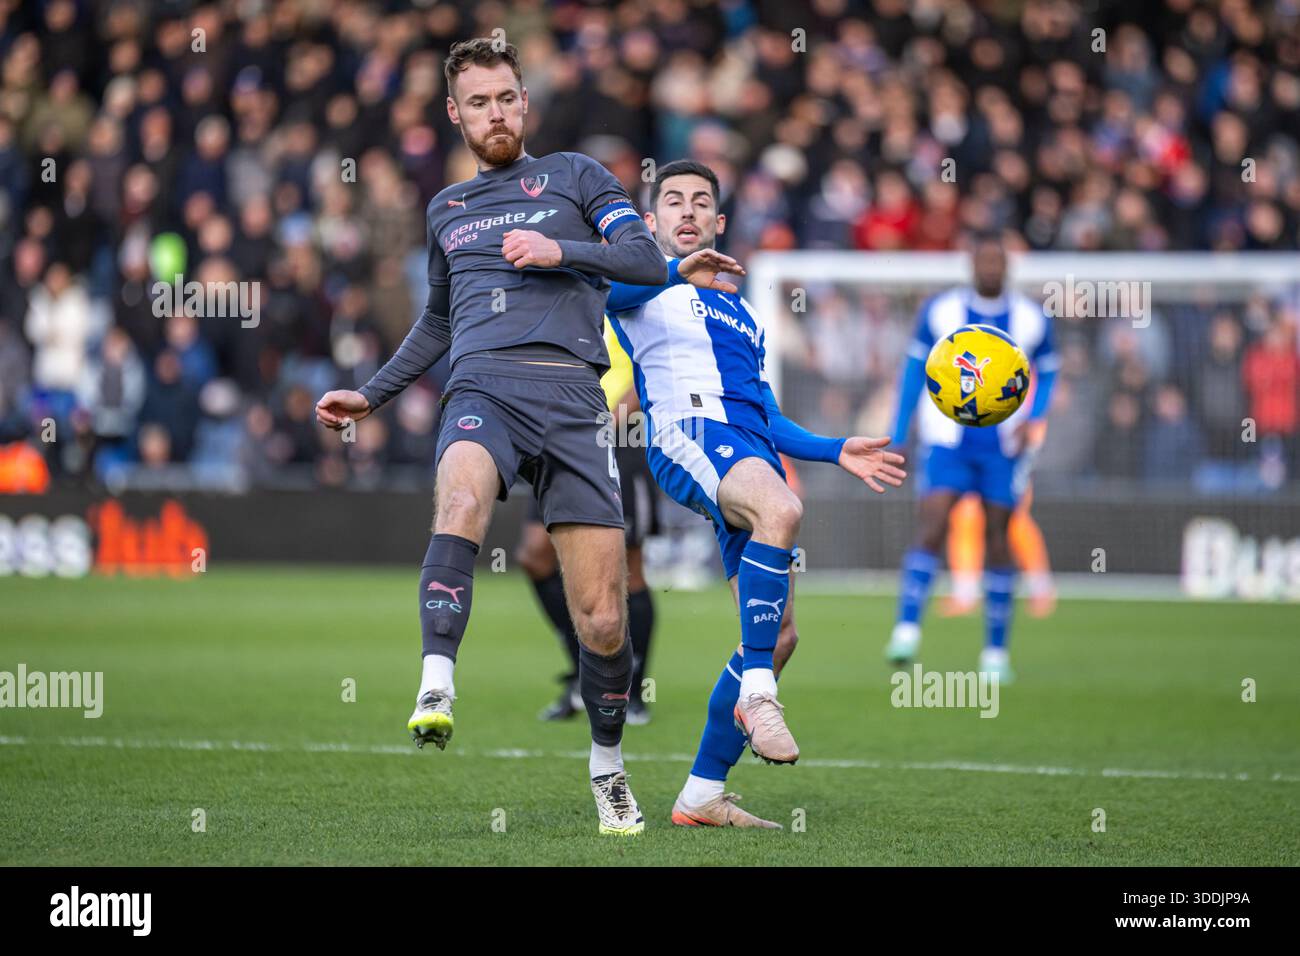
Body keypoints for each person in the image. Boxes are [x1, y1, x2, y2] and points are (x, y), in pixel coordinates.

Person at [314, 40, 732, 836]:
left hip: (575, 400)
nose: (495, 113)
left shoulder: (574, 175)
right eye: (479, 103)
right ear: (456, 113)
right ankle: (437, 681)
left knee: (603, 622)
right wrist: (370, 395)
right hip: (483, 387)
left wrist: (559, 251)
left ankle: (607, 767)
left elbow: (643, 257)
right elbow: (437, 322)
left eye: (507, 98)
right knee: (462, 494)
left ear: (524, 103)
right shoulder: (446, 210)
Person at [606, 160, 906, 827]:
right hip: (690, 434)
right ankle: (760, 699)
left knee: (782, 634)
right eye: (673, 201)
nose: (687, 211)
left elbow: (765, 410)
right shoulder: (644, 278)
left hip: (749, 450)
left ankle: (702, 794)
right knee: (783, 509)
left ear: (719, 221)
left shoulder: (741, 311)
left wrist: (835, 449)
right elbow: (596, 297)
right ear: (652, 222)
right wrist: (671, 270)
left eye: (701, 202)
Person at [884, 232, 1059, 683]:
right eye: (983, 260)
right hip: (947, 441)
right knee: (933, 523)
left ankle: (996, 654)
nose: (990, 268)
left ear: (1006, 267)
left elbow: (1051, 369)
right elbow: (911, 370)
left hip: (1003, 447)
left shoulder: (1029, 318)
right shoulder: (941, 311)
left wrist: (1033, 419)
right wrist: (898, 432)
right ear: (972, 265)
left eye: (997, 261)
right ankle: (906, 629)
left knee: (1000, 536)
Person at [517, 320, 658, 725]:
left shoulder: (631, 284)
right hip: (562, 437)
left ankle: (631, 689)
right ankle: (585, 672)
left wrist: (616, 420)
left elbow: (650, 361)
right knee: (535, 556)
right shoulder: (567, 280)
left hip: (621, 439)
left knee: (627, 569)